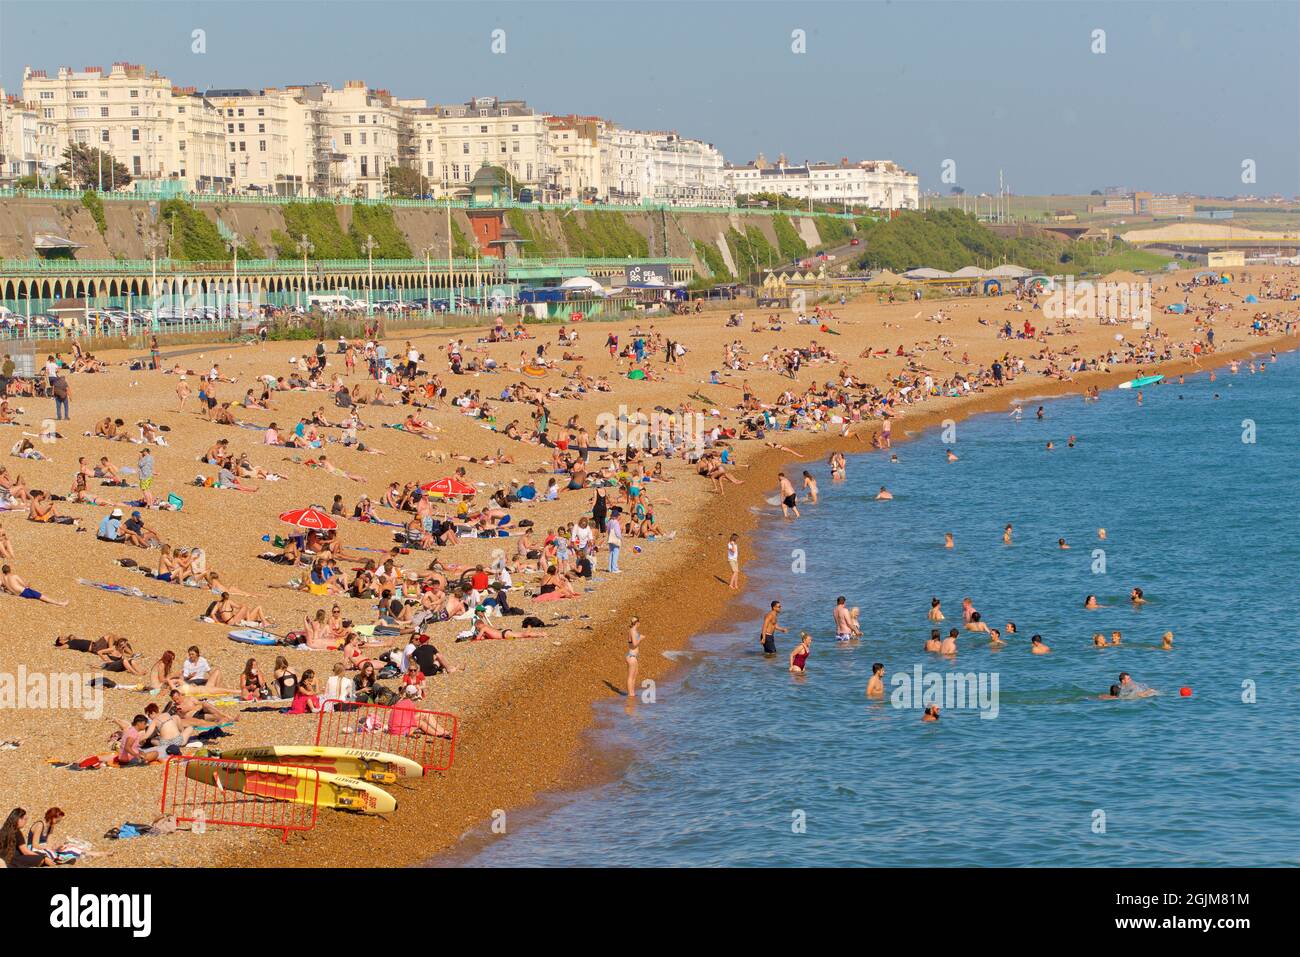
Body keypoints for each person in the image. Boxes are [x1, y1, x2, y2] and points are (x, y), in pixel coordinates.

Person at [1, 564, 68, 606]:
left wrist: (5, 589)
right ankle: (59, 603)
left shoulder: (3, 579)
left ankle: (58, 603)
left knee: (36, 595)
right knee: (40, 595)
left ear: (3, 571)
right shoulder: (14, 576)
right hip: (24, 592)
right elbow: (25, 585)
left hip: (17, 594)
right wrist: (28, 583)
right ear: (10, 570)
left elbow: (2, 586)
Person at [626, 616, 643, 697]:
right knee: (631, 676)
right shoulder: (632, 631)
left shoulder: (634, 631)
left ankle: (632, 693)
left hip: (634, 656)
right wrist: (640, 638)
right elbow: (635, 644)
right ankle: (630, 694)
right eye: (639, 622)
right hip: (631, 656)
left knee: (635, 675)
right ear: (637, 623)